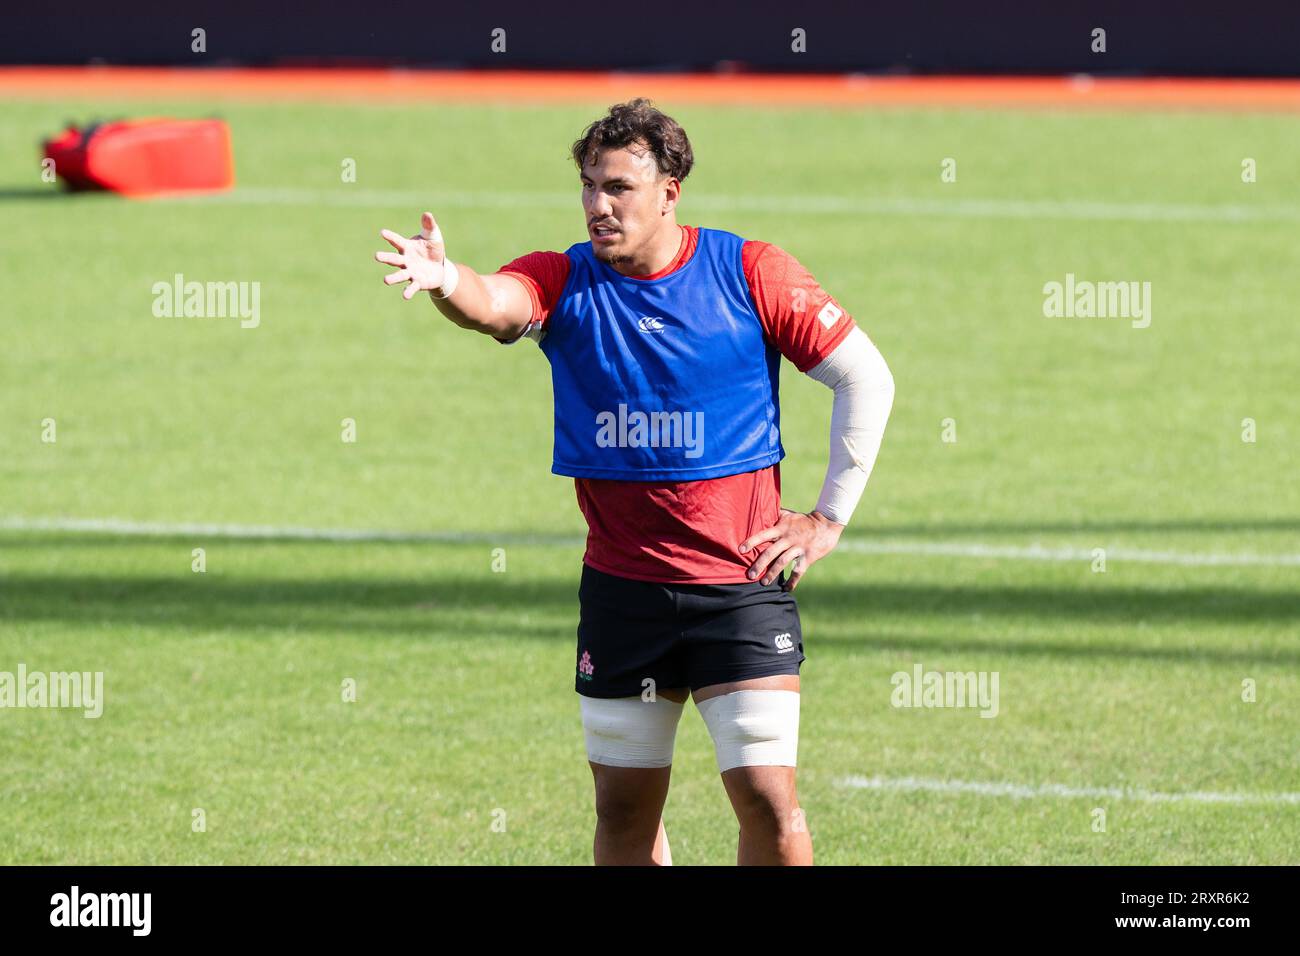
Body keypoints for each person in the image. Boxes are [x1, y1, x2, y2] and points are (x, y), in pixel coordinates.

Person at [373, 98, 894, 865]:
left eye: (617, 187)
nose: (598, 206)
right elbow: (496, 304)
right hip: (622, 593)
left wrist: (827, 518)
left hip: (739, 585)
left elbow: (866, 378)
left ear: (669, 192)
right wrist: (447, 277)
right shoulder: (565, 281)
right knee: (622, 813)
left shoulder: (749, 272)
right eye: (588, 185)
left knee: (766, 799)